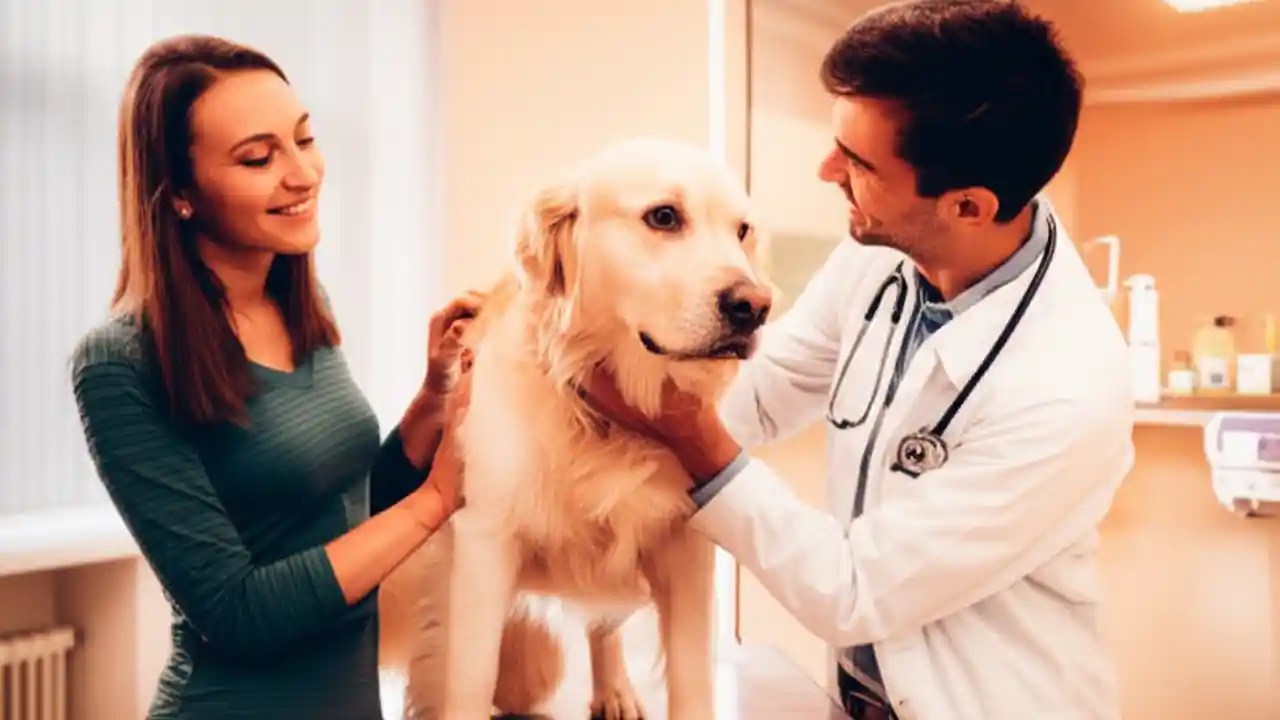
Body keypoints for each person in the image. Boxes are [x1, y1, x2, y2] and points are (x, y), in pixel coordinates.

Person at [575, 2, 1136, 719]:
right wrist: (595, 367)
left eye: (859, 163)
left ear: (967, 206)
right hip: (861, 698)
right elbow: (763, 396)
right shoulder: (883, 258)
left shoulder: (1067, 387)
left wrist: (696, 440)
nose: (825, 169)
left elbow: (855, 592)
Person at [69, 35, 477, 719]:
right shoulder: (119, 362)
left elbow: (347, 516)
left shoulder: (303, 307)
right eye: (259, 157)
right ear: (179, 195)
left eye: (304, 138)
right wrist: (437, 499)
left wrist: (431, 403)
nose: (303, 173)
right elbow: (237, 611)